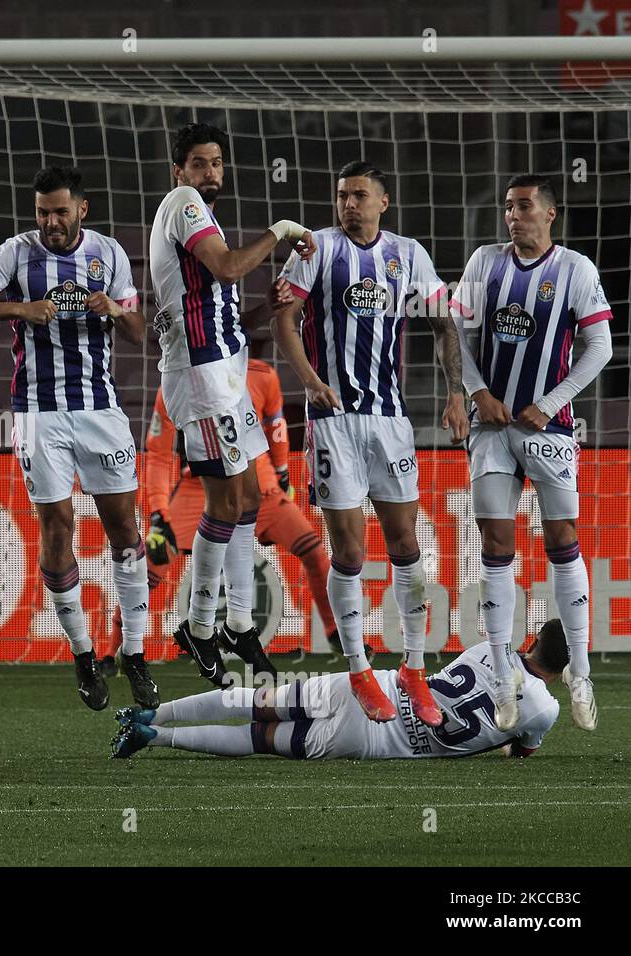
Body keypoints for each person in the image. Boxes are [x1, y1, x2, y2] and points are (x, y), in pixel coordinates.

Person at [0, 165, 156, 710]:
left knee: (123, 528)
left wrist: (114, 308)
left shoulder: (109, 254)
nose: (51, 222)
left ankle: (134, 651)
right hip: (38, 415)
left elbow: (139, 331)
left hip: (100, 411)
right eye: (43, 212)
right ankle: (84, 653)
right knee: (56, 527)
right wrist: (18, 307)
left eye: (61, 212)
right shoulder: (16, 254)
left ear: (82, 209)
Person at [270, 160, 468, 727]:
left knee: (406, 546)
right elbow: (282, 320)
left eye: (359, 195)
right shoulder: (314, 248)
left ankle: (413, 667)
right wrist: (309, 382)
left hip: (391, 422)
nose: (348, 204)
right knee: (351, 552)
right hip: (334, 421)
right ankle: (359, 668)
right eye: (341, 195)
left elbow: (443, 323)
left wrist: (456, 394)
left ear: (383, 202)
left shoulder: (408, 253)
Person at [148, 122, 315, 688]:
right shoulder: (184, 203)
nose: (209, 172)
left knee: (246, 495)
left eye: (216, 162)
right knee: (224, 503)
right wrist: (281, 232)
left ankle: (240, 621)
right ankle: (198, 626)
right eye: (198, 163)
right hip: (202, 378)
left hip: (225, 372)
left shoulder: (200, 213)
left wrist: (259, 310)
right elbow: (225, 267)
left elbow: (214, 295)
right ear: (178, 171)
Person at [451, 175, 611, 732]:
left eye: (524, 207)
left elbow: (601, 347)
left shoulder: (575, 270)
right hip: (491, 428)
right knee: (495, 545)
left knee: (562, 539)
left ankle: (581, 671)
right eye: (508, 208)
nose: (513, 216)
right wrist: (477, 393)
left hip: (549, 428)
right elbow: (457, 335)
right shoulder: (482, 263)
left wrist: (549, 403)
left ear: (550, 214)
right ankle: (501, 673)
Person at [105, 336, 338, 676]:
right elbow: (157, 454)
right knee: (152, 568)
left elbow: (275, 428)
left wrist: (282, 474)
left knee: (315, 551)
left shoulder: (262, 376)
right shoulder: (176, 381)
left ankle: (337, 635)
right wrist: (159, 514)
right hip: (199, 486)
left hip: (260, 485)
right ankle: (115, 651)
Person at [113, 619, 570, 762]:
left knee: (254, 700)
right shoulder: (545, 711)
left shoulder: (485, 649)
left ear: (531, 640)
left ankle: (155, 716)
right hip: (374, 739)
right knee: (259, 739)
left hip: (373, 690)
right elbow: (521, 750)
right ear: (564, 669)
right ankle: (157, 739)